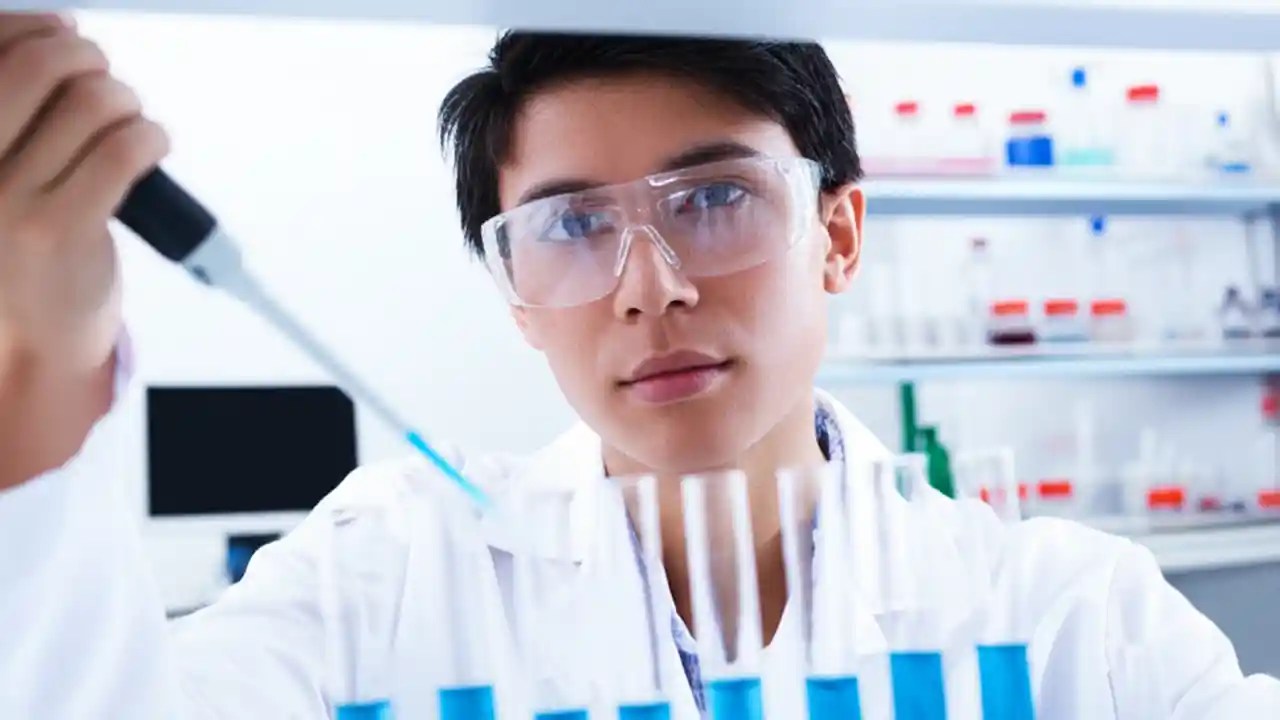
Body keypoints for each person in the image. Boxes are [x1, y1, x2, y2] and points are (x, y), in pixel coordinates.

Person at [0, 12, 1276, 719]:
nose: (646, 285)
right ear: (510, 289)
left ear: (836, 232)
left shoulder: (1069, 622)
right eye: (567, 227)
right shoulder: (378, 579)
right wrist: (38, 379)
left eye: (713, 201)